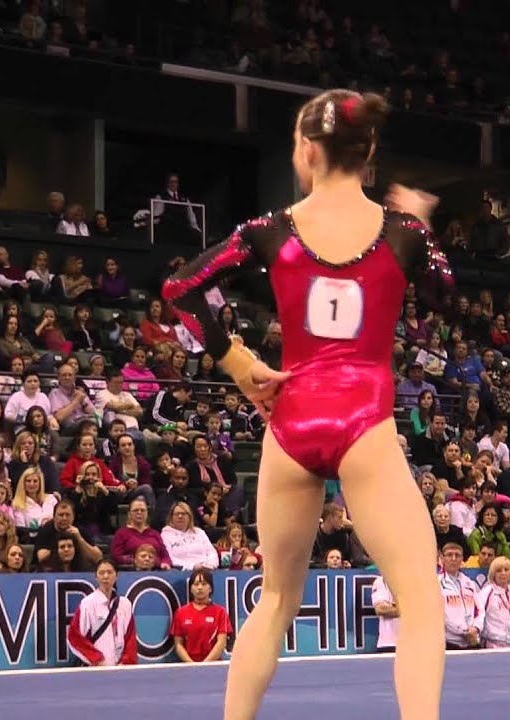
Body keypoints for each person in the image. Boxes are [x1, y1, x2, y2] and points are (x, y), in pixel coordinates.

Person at [163, 89, 450, 720]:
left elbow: (181, 288)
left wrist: (236, 361)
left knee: (275, 601)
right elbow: (442, 299)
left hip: (292, 421)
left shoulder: (270, 232)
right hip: (363, 424)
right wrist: (423, 226)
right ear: (368, 150)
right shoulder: (401, 234)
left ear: (306, 151)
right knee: (422, 600)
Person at [67, 558, 137, 667]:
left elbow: (130, 637)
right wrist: (95, 658)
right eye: (101, 573)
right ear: (96, 576)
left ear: (116, 575)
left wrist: (126, 662)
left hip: (120, 668)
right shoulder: (87, 603)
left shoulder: (125, 604)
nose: (105, 576)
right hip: (96, 668)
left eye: (109, 572)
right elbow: (74, 637)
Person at [172, 568, 232, 663]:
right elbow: (178, 644)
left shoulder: (220, 612)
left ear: (210, 588)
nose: (199, 587)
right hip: (188, 666)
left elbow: (221, 643)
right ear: (191, 588)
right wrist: (192, 665)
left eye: (204, 584)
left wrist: (204, 665)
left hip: (213, 666)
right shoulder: (180, 612)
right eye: (196, 584)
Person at [473, 556, 510, 648]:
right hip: (494, 644)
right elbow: (478, 615)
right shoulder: (486, 593)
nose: (503, 573)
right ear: (493, 573)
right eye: (499, 570)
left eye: (506, 569)